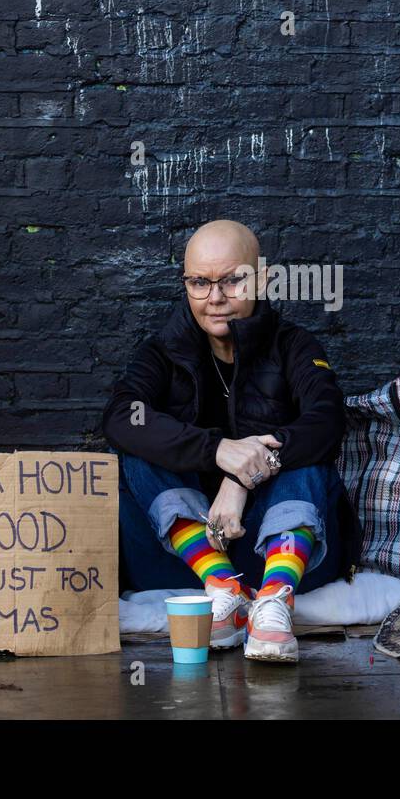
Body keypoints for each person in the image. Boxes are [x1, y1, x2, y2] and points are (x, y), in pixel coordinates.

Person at [102, 220, 358, 664]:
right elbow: (121, 416)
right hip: (182, 559)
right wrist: (219, 452)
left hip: (281, 556)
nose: (215, 297)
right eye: (199, 282)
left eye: (233, 280)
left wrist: (244, 476)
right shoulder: (162, 352)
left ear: (262, 280)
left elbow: (328, 419)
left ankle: (273, 602)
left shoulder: (293, 345)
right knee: (139, 447)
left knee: (304, 453)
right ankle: (224, 591)